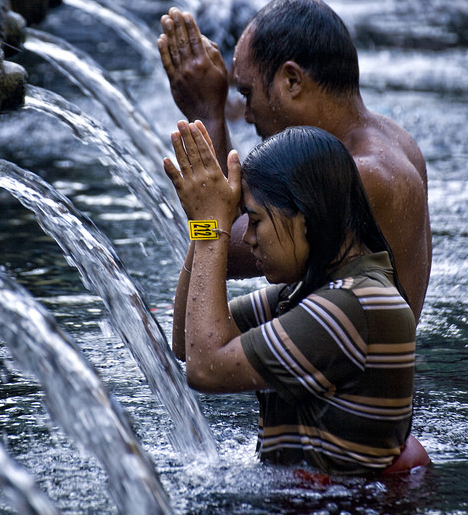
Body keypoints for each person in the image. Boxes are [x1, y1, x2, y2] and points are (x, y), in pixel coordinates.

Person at [163, 121, 425, 473]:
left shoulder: (353, 305)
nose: (248, 238)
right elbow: (185, 341)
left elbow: (204, 368)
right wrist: (205, 222)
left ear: (304, 217)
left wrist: (213, 225)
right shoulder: (315, 294)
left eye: (255, 221)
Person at [157, 0, 432, 322]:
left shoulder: (361, 174)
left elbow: (219, 246)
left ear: (292, 81)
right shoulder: (392, 140)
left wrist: (208, 113)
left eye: (247, 94)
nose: (245, 115)